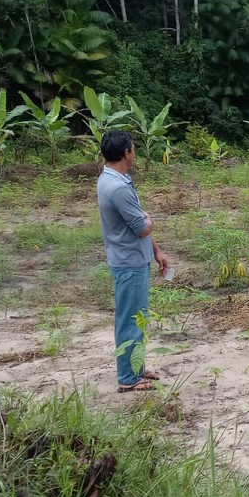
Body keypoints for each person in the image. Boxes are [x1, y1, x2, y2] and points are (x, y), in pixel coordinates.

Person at [97, 129, 169, 392]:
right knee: (130, 319)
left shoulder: (116, 179)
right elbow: (141, 227)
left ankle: (135, 368)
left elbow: (137, 225)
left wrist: (156, 251)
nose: (135, 152)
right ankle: (128, 377)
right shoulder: (117, 187)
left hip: (134, 258)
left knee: (136, 318)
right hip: (129, 263)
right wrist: (150, 220)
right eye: (133, 148)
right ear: (126, 152)